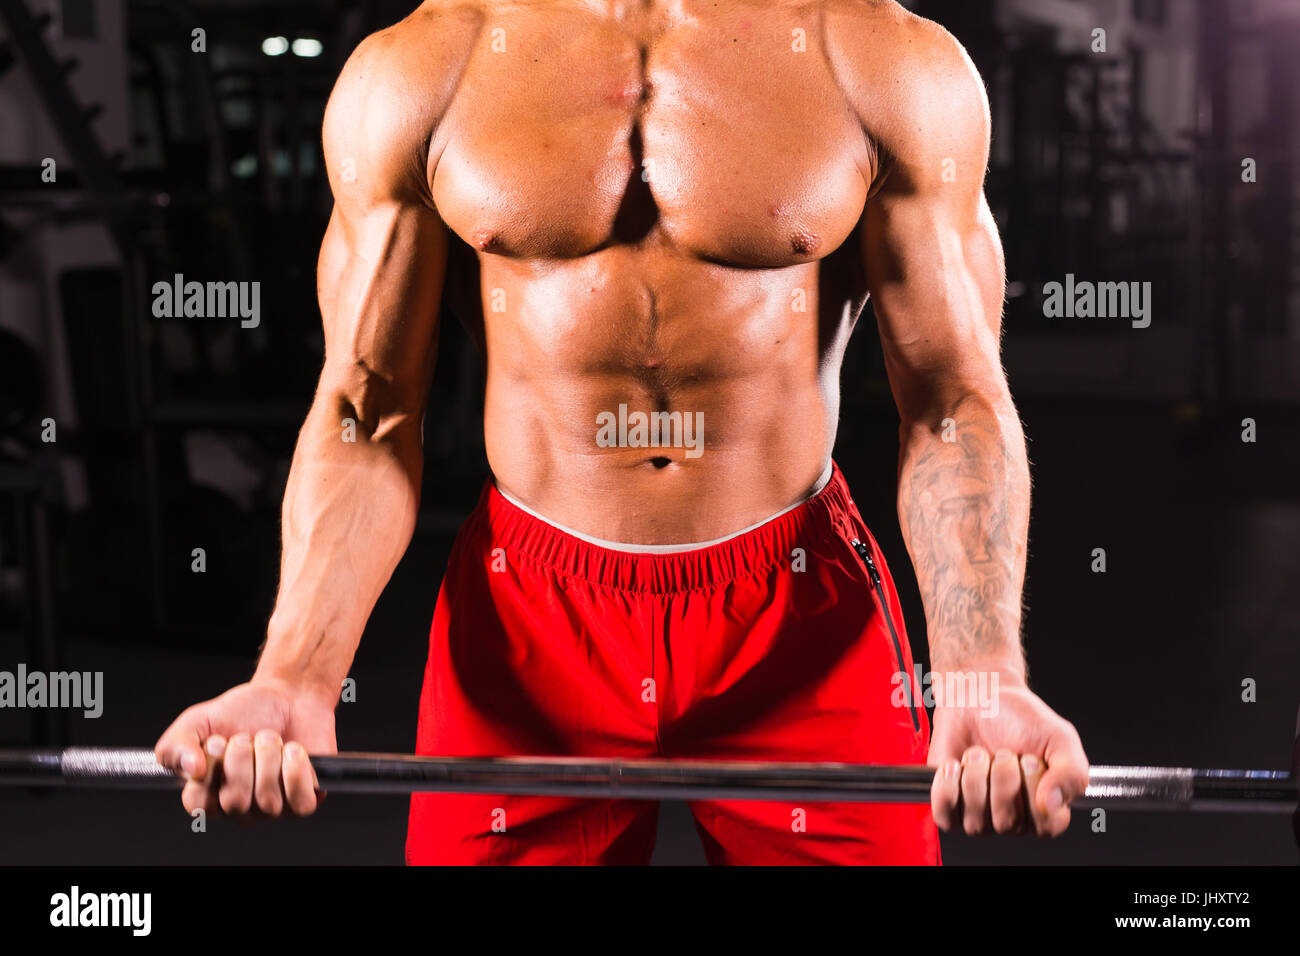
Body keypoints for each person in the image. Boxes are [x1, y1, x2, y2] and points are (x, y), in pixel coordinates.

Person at [156, 0, 1088, 865]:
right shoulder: (427, 64)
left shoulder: (877, 55)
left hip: (798, 614)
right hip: (529, 621)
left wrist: (982, 677)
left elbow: (954, 401)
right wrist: (294, 677)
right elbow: (368, 409)